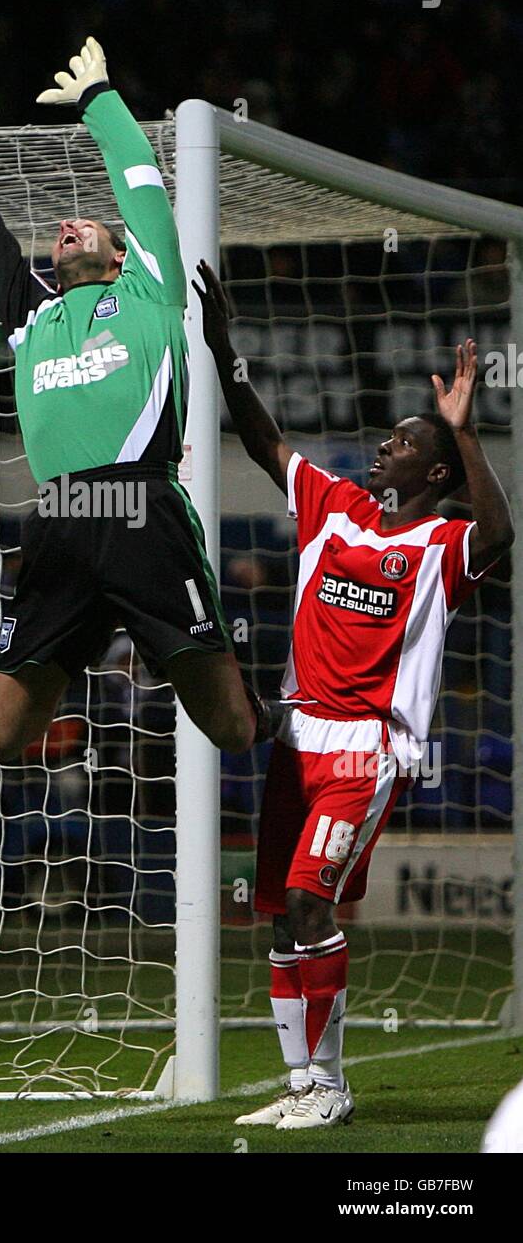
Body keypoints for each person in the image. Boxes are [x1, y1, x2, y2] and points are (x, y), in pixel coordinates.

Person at [194, 259, 514, 1130]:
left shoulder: (444, 544)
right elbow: (265, 441)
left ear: (437, 472)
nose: (385, 447)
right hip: (299, 741)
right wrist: (227, 351)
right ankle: (300, 1085)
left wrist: (466, 430)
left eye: (406, 443)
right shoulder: (333, 505)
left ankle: (331, 1085)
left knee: (310, 900)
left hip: (369, 748)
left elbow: (502, 536)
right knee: (277, 916)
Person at [0, 40, 261, 764]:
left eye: (85, 224)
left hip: (142, 512)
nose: (67, 228)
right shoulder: (33, 317)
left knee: (232, 729)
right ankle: (93, 634)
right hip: (62, 519)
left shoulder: (148, 288)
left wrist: (100, 99)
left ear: (122, 252)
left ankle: (195, 668)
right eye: (61, 229)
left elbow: (141, 187)